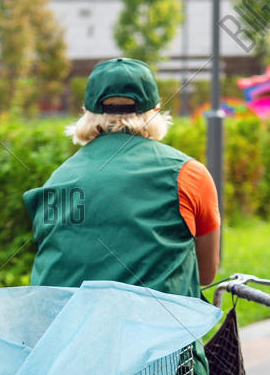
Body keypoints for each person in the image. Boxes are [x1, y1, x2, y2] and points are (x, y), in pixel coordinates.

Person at [26, 58, 219, 299]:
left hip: (66, 331)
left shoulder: (59, 178)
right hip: (159, 333)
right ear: (155, 111)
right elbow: (207, 273)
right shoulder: (188, 174)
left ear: (86, 111)